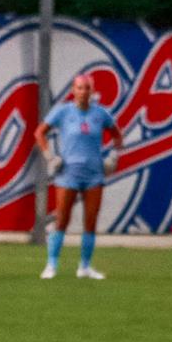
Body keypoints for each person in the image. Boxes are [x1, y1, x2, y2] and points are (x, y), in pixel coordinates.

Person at [35, 73, 126, 280]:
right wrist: (50, 157)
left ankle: (84, 267)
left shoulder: (100, 114)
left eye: (87, 88)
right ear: (73, 91)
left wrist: (113, 156)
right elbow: (39, 133)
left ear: (92, 91)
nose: (84, 92)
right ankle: (51, 265)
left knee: (90, 221)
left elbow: (117, 135)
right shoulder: (63, 112)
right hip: (68, 174)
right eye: (80, 88)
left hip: (94, 174)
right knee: (62, 220)